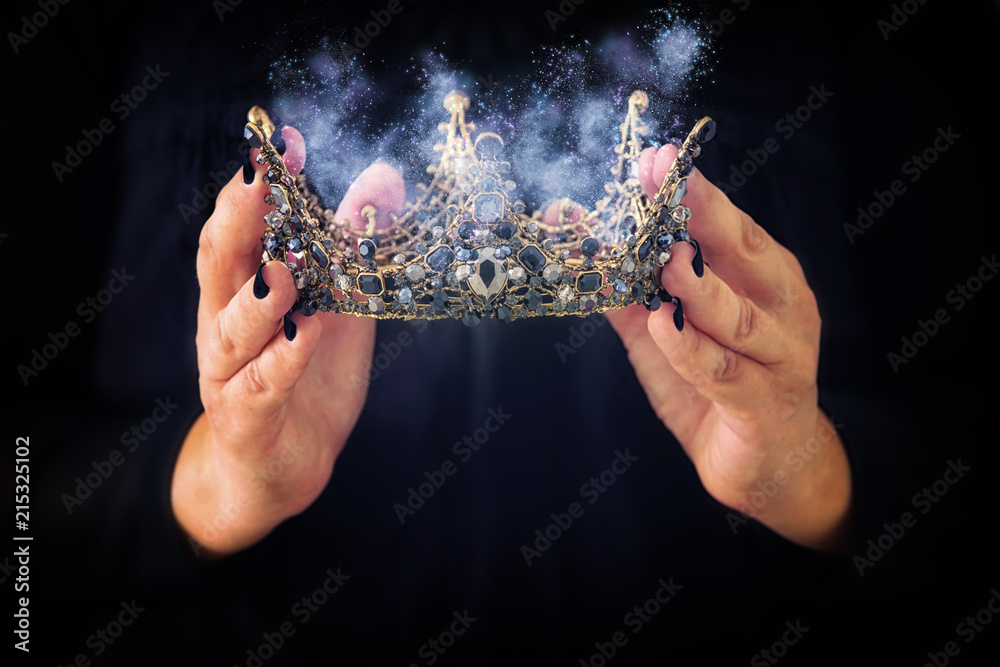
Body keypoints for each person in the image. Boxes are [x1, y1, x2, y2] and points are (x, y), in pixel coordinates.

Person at [25, 1, 993, 665]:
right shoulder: (103, 30)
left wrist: (813, 475)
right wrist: (205, 486)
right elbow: (26, 530)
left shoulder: (848, 32)